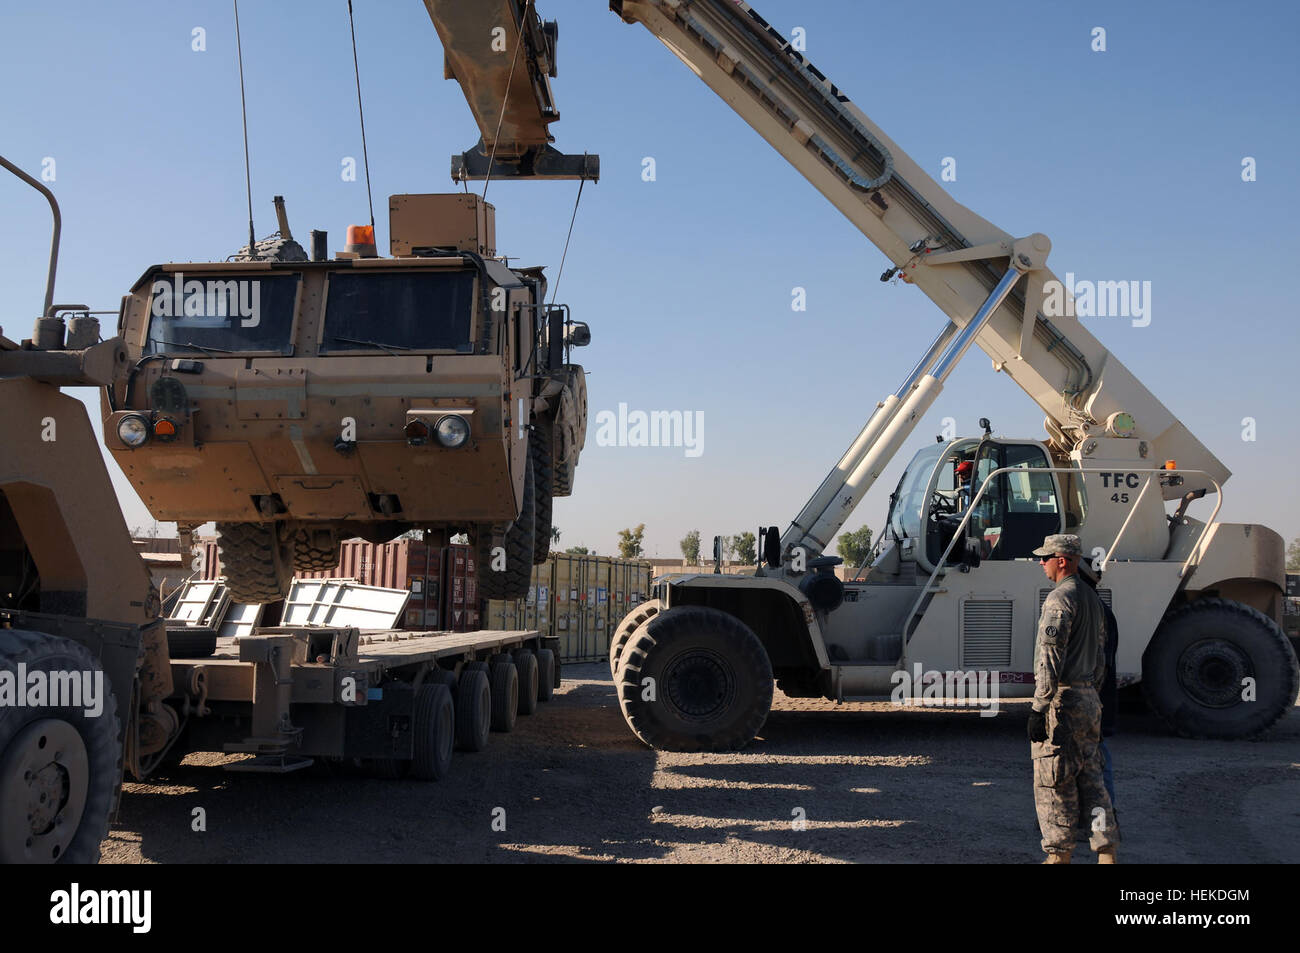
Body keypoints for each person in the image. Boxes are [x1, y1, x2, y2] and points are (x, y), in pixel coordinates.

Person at [1028, 534, 1120, 864]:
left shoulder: (1059, 599)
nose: (1041, 562)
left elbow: (1050, 659)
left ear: (1063, 560)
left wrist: (1040, 707)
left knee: (1055, 782)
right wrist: (1089, 694)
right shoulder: (1094, 600)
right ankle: (1106, 852)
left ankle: (1059, 856)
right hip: (1089, 699)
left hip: (1063, 703)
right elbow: (1100, 661)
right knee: (1093, 779)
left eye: (1045, 557)